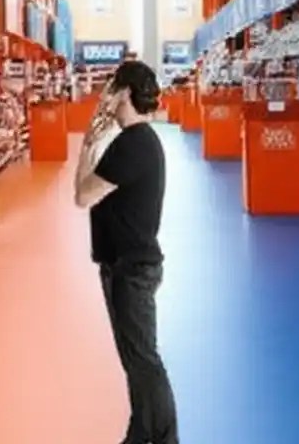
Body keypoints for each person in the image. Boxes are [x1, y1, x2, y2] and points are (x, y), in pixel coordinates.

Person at [74, 60, 178, 444]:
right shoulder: (131, 143)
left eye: (111, 88)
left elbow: (83, 194)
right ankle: (139, 435)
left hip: (131, 270)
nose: (104, 96)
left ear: (124, 94)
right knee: (135, 363)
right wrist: (89, 144)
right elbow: (82, 191)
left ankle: (166, 438)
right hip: (123, 266)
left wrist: (88, 143)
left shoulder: (133, 146)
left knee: (144, 362)